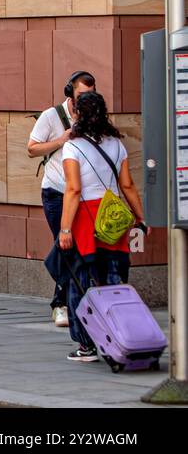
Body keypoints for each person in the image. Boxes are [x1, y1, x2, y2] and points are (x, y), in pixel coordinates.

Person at [57, 90, 148, 363]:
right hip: (112, 217)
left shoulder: (72, 147)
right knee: (113, 280)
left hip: (85, 218)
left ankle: (86, 346)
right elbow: (127, 185)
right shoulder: (116, 144)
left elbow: (73, 189)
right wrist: (141, 218)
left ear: (78, 114)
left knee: (81, 283)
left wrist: (64, 229)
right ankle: (118, 337)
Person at [27, 70, 95, 327]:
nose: (86, 100)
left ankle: (68, 300)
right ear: (70, 93)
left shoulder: (93, 116)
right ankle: (60, 303)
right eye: (81, 95)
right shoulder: (51, 116)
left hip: (83, 193)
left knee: (76, 247)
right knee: (65, 244)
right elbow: (31, 149)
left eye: (91, 95)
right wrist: (60, 139)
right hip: (56, 192)